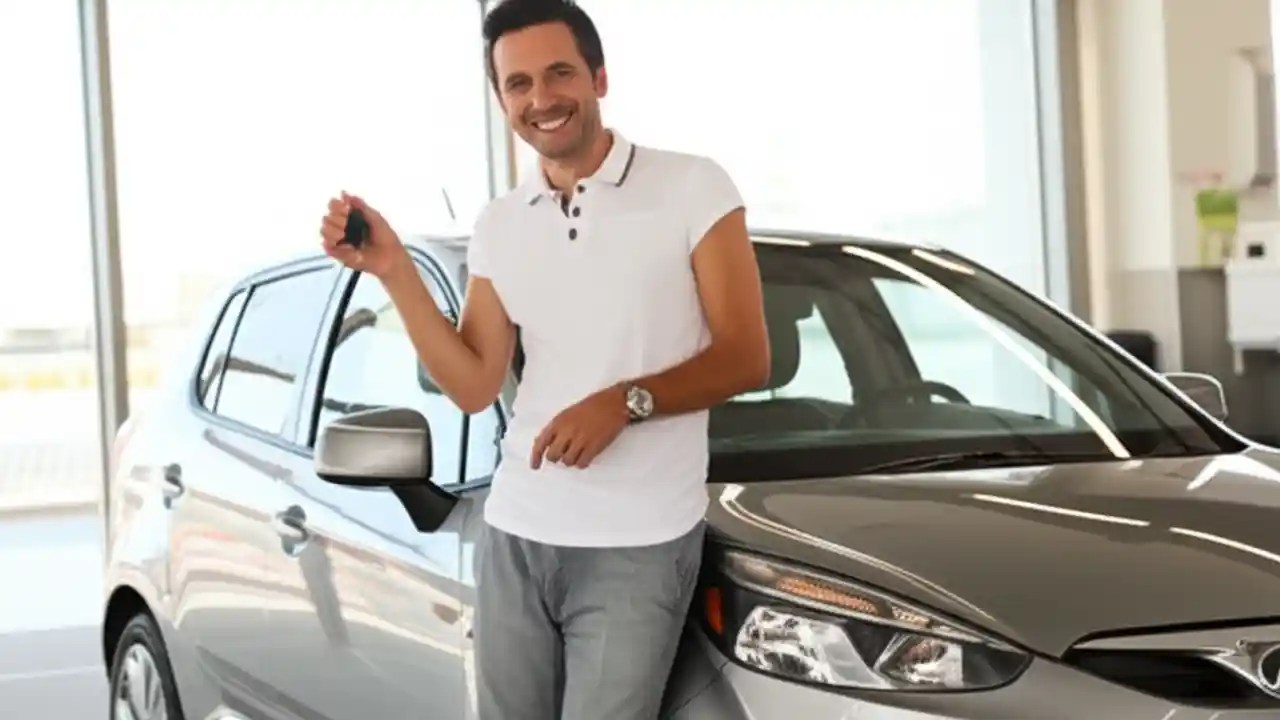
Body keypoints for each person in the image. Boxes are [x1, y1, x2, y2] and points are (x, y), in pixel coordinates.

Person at [318, 0, 769, 717]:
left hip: (638, 544)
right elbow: (472, 384)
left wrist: (625, 402)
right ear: (502, 101)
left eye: (559, 74)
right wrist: (394, 269)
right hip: (516, 533)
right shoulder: (501, 224)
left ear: (599, 77)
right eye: (518, 84)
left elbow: (747, 356)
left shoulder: (692, 188)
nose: (541, 99)